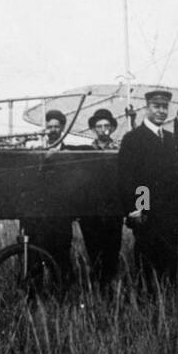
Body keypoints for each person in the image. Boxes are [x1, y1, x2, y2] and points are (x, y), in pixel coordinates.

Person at [118, 89, 178, 289]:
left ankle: (168, 308)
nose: (161, 111)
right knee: (147, 266)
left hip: (170, 213)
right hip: (147, 215)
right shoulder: (133, 139)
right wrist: (139, 208)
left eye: (164, 107)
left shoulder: (170, 139)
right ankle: (147, 309)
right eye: (156, 106)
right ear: (146, 107)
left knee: (170, 265)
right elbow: (131, 178)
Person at [21, 108, 78, 284]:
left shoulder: (71, 152)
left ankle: (62, 294)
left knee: (61, 257)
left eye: (57, 126)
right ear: (44, 128)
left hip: (60, 217)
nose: (53, 130)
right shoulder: (34, 151)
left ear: (63, 129)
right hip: (36, 216)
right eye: (50, 126)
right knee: (34, 258)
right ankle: (34, 295)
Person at [75, 108, 123, 292]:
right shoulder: (85, 151)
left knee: (112, 250)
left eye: (106, 126)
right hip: (90, 210)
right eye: (99, 126)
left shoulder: (120, 149)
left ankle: (110, 288)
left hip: (113, 209)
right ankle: (96, 287)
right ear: (94, 129)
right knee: (94, 250)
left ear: (112, 128)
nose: (103, 129)